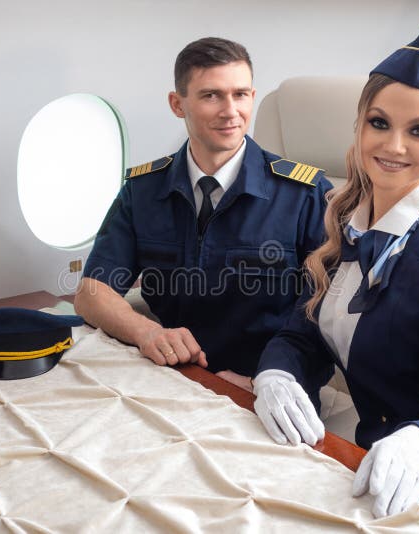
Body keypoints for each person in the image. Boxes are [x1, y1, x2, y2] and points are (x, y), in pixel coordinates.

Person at [252, 21, 419, 517]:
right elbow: (302, 336)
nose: (394, 145)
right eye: (379, 123)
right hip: (373, 455)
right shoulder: (343, 223)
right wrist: (275, 374)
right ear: (359, 127)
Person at [76, 37, 332, 389]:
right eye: (211, 95)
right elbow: (92, 291)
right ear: (177, 104)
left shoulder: (304, 194)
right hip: (171, 377)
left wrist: (268, 378)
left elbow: (325, 312)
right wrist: (148, 332)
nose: (230, 111)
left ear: (252, 98)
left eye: (240, 94)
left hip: (267, 386)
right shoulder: (143, 190)